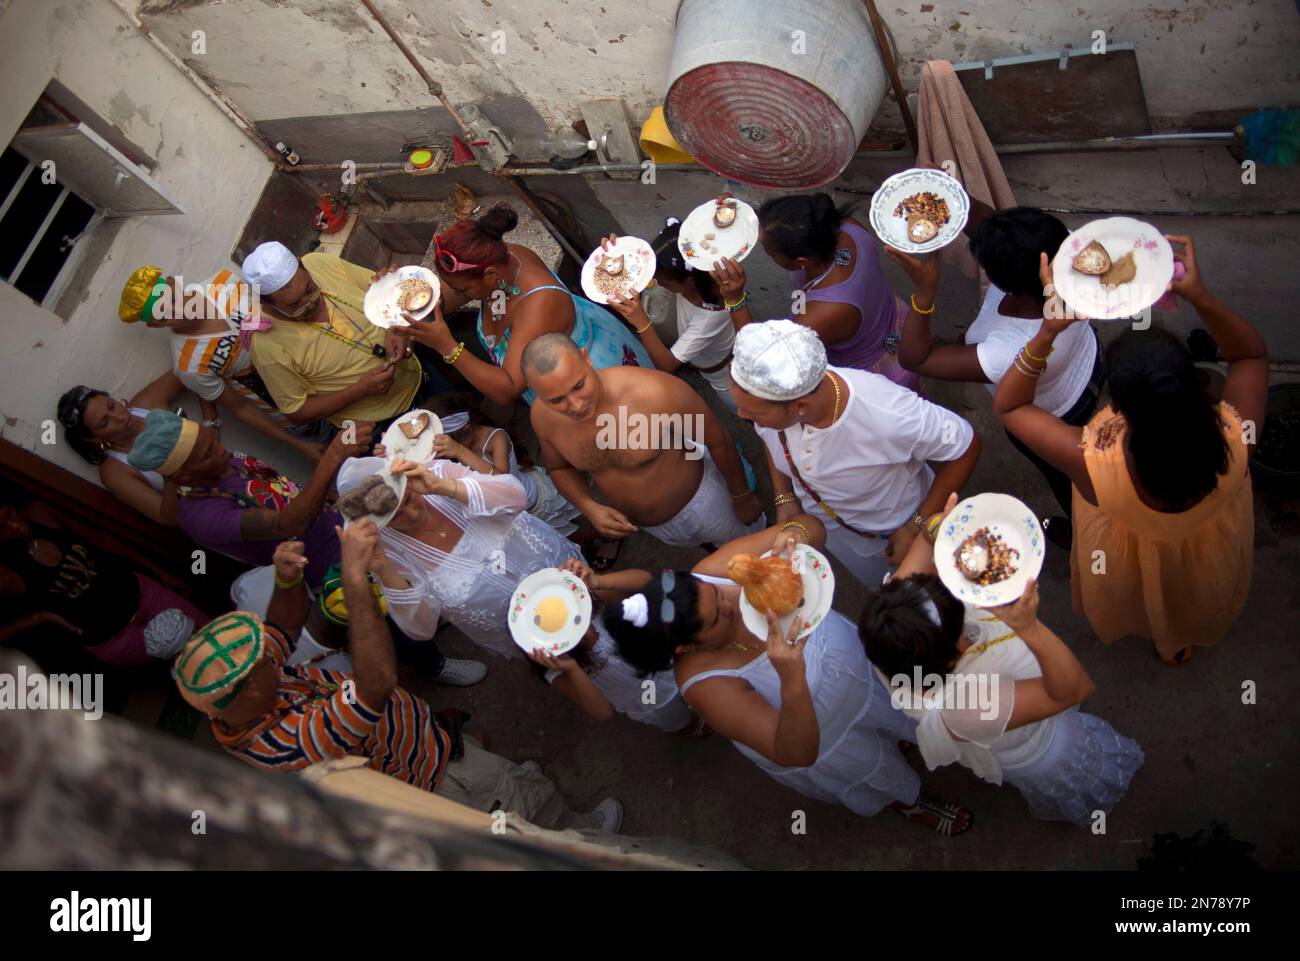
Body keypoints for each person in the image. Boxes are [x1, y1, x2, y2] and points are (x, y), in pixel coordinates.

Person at [172, 522, 622, 832]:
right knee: (521, 814)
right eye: (261, 665)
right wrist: (353, 576)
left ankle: (519, 785)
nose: (272, 659)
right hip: (434, 782)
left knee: (501, 775)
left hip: (424, 738)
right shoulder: (287, 746)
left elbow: (280, 629)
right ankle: (590, 838)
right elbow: (375, 686)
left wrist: (288, 582)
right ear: (248, 688)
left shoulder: (249, 689)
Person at [603, 514, 973, 835]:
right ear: (688, 648)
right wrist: (791, 678)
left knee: (894, 712)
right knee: (874, 766)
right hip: (829, 738)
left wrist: (793, 534)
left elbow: (813, 529)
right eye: (718, 616)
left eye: (716, 595)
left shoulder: (715, 574)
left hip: (861, 669)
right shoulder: (705, 685)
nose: (731, 601)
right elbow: (792, 752)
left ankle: (901, 735)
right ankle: (909, 802)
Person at [994, 237, 1267, 665]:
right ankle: (1180, 641)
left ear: (1116, 407)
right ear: (1199, 385)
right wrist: (1201, 298)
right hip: (1208, 549)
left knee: (1148, 597)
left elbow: (1010, 406)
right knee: (1190, 595)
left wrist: (1047, 331)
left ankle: (1163, 637)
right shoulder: (1237, 437)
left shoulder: (1092, 461)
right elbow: (1250, 356)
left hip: (1127, 559)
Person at [859, 513, 1143, 828]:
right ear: (956, 647)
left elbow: (920, 553)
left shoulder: (890, 632)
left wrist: (935, 526)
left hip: (1016, 710)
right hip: (1043, 746)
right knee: (1083, 772)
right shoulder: (967, 706)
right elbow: (1075, 689)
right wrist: (1029, 628)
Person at [888, 208, 1106, 542]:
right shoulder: (1070, 255)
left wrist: (925, 292)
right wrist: (948, 198)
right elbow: (993, 226)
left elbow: (917, 358)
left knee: (1069, 478)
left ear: (1005, 282)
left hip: (1052, 414)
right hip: (1090, 363)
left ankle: (1083, 531)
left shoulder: (1011, 348)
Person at [731, 319, 979, 587]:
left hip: (906, 531)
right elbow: (772, 439)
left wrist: (915, 528)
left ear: (800, 406)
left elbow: (966, 446)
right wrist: (784, 496)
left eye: (755, 414)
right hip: (844, 538)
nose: (742, 416)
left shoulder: (887, 414)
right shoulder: (774, 403)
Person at [523, 333, 764, 549]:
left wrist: (741, 496)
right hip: (652, 528)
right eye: (556, 400)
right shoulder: (543, 418)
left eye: (579, 386)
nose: (576, 405)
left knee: (756, 552)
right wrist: (589, 507)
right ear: (537, 394)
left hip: (706, 507)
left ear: (587, 359)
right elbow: (559, 467)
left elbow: (717, 439)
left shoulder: (656, 393)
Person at [397, 204, 652, 407]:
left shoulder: (539, 304)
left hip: (587, 381)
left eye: (462, 290)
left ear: (489, 275)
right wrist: (401, 304)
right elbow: (444, 298)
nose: (454, 294)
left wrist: (448, 347)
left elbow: (508, 389)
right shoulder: (499, 263)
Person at [339, 452, 579, 666]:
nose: (412, 514)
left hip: (566, 571)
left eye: (409, 499)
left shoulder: (435, 473)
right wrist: (383, 570)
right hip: (531, 632)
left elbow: (517, 497)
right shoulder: (386, 550)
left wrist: (444, 487)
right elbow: (421, 630)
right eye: (395, 516)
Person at [126, 409, 365, 587]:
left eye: (212, 440)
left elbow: (285, 487)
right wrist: (332, 458)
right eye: (207, 453)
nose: (220, 449)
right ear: (182, 475)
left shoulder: (223, 461)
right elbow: (290, 524)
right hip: (335, 569)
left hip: (347, 526)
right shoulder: (203, 516)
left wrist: (336, 497)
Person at [117, 264, 324, 462]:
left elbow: (283, 307)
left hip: (324, 366)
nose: (177, 310)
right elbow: (241, 408)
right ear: (154, 325)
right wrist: (297, 444)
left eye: (172, 299)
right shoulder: (188, 364)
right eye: (164, 315)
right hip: (302, 416)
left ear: (173, 283)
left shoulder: (224, 281)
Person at [714, 192, 920, 390]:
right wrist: (745, 215)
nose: (769, 254)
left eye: (772, 254)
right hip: (889, 320)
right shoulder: (844, 227)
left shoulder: (822, 314)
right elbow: (786, 225)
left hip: (874, 368)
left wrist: (734, 299)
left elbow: (767, 359)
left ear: (801, 261)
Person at [242, 241, 436, 431]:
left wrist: (396, 327)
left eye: (309, 289)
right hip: (382, 424)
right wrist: (360, 391)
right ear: (266, 305)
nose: (309, 302)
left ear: (305, 267)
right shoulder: (266, 344)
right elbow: (297, 413)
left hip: (419, 373)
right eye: (294, 305)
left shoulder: (318, 263)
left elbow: (384, 292)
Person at [0, 499, 207, 666]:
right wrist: (42, 617)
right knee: (194, 669)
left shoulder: (38, 513)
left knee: (212, 633)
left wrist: (159, 571)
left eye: (9, 514)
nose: (15, 526)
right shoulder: (6, 575)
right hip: (116, 639)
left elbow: (100, 540)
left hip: (142, 594)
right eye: (2, 528)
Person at [524, 557, 704, 734]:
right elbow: (602, 713)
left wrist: (599, 581)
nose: (585, 626)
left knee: (699, 687)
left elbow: (646, 582)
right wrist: (572, 668)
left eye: (574, 614)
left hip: (669, 662)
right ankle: (690, 726)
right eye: (570, 631)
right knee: (676, 718)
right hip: (649, 699)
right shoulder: (557, 665)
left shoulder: (592, 606)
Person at [604, 220, 739, 412]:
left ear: (689, 280)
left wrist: (642, 323)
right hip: (708, 361)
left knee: (746, 412)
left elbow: (666, 365)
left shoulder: (710, 317)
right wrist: (617, 255)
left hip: (727, 379)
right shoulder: (697, 275)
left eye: (665, 283)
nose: (658, 284)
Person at [57, 373, 210, 525]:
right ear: (93, 438)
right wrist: (170, 472)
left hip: (231, 468)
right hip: (212, 513)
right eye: (105, 423)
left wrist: (212, 422)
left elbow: (190, 370)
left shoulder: (144, 404)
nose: (120, 417)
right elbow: (168, 517)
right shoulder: (115, 470)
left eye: (112, 405)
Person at [424, 391, 581, 536]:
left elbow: (503, 482)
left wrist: (460, 452)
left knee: (574, 529)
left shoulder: (496, 437)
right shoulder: (460, 445)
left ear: (468, 429)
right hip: (514, 513)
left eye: (457, 444)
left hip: (536, 503)